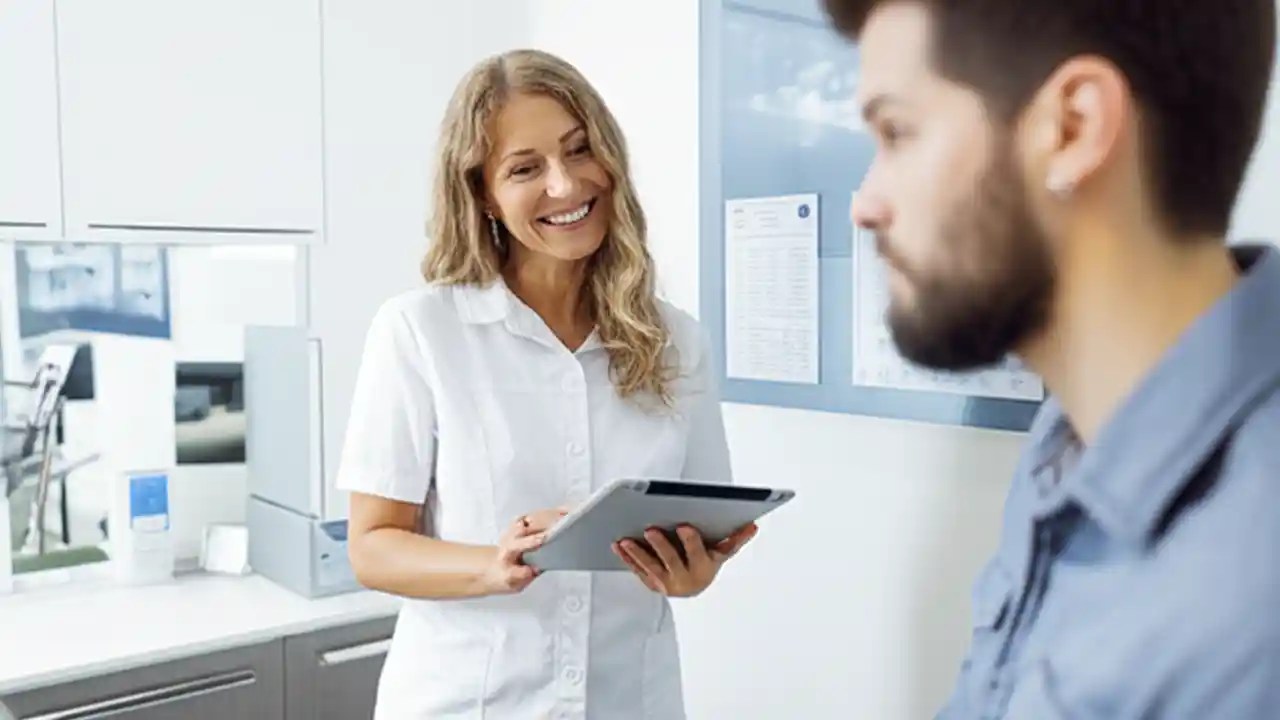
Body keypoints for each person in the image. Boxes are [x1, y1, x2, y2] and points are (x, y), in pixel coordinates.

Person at [822, 0, 1279, 716]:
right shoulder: (1065, 444)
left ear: (1074, 128)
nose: (866, 202)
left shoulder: (1251, 601)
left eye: (898, 132)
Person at [336, 49, 757, 719]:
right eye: (526, 168)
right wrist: (491, 562)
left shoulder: (678, 341)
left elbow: (700, 536)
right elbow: (374, 547)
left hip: (628, 701)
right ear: (483, 194)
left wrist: (695, 570)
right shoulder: (421, 331)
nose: (565, 186)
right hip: (469, 704)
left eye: (580, 150)